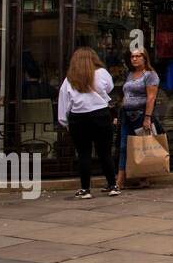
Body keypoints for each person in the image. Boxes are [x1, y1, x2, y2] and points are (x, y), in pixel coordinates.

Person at [57, 47, 118, 199]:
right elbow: (110, 87)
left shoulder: (69, 79)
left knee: (84, 153)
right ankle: (112, 185)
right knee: (105, 152)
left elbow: (64, 102)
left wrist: (64, 122)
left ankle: (85, 189)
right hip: (100, 114)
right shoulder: (102, 73)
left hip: (79, 118)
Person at [115, 46, 160, 190]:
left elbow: (151, 97)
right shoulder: (130, 74)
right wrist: (118, 114)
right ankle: (119, 181)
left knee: (143, 146)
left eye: (138, 56)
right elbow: (125, 95)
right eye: (132, 57)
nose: (134, 59)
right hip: (126, 114)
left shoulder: (150, 75)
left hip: (140, 115)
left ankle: (144, 176)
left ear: (145, 58)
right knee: (123, 147)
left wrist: (147, 117)